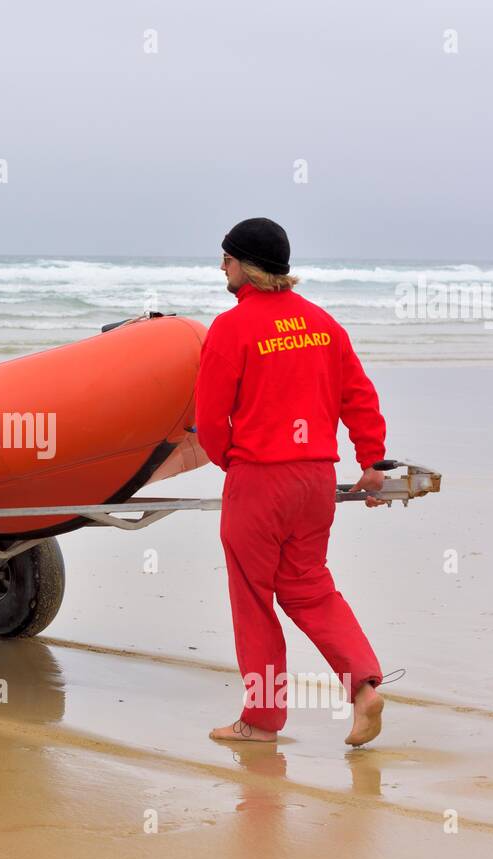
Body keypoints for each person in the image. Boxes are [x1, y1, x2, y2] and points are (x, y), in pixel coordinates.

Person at [194, 217, 389, 747]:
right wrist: (371, 462)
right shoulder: (323, 324)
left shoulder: (231, 328)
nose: (221, 267)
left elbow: (209, 418)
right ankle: (365, 687)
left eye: (227, 258)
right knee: (309, 587)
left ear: (245, 267)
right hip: (316, 479)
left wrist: (229, 463)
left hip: (259, 479)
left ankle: (260, 721)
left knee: (253, 599)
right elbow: (360, 397)